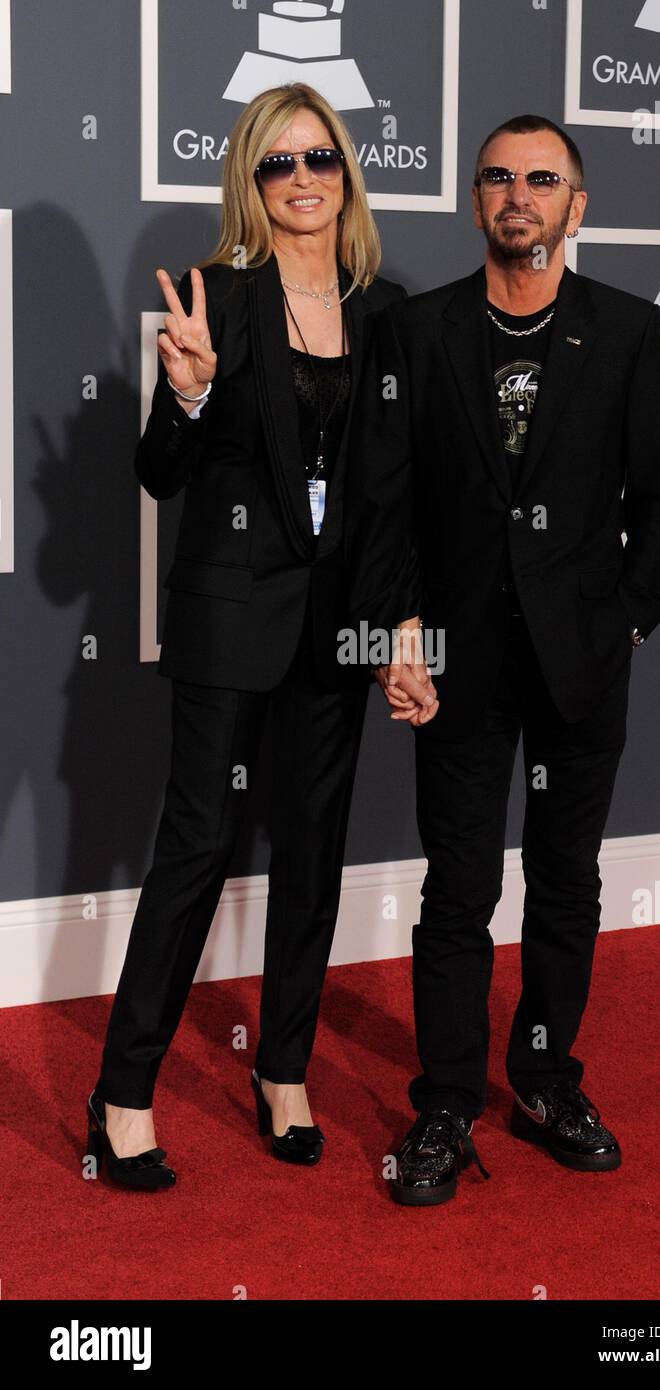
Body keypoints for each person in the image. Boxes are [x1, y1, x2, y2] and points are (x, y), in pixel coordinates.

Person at [87, 81, 433, 1190]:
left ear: (345, 173)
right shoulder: (219, 304)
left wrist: (399, 632)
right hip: (230, 625)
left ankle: (282, 1070)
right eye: (277, 162)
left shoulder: (388, 314)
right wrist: (183, 395)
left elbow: (391, 497)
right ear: (251, 179)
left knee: (315, 857)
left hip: (336, 633)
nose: (301, 180)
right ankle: (124, 1094)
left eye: (319, 158)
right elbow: (157, 476)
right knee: (194, 852)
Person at [345, 113, 660, 1205]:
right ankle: (446, 1101)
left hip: (582, 658)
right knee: (458, 887)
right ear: (474, 198)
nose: (517, 197)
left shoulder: (629, 332)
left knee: (565, 881)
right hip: (458, 662)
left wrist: (625, 619)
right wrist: (401, 632)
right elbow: (385, 507)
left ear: (575, 206)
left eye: (542, 180)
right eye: (497, 177)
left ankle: (541, 1080)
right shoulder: (420, 331)